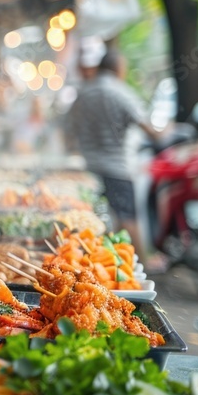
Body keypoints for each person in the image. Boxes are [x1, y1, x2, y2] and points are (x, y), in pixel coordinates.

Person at [66, 45, 165, 256]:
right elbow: (150, 131)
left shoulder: (82, 95)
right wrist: (167, 131)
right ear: (119, 68)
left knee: (93, 225)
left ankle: (104, 267)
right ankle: (138, 274)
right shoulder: (121, 93)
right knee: (128, 221)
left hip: (88, 171)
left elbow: (67, 133)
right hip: (117, 169)